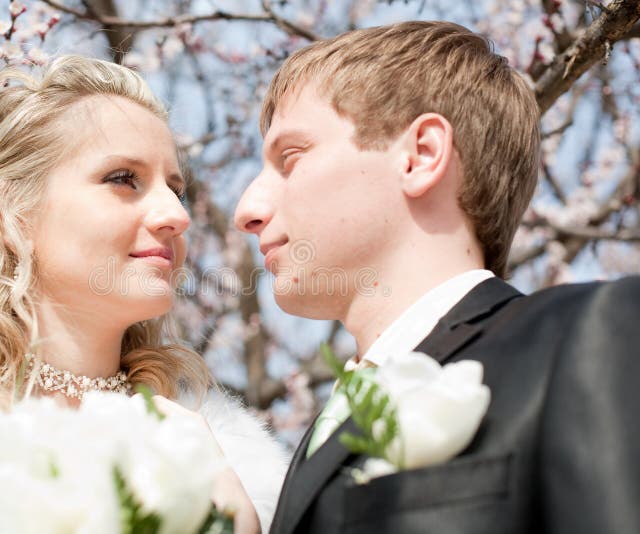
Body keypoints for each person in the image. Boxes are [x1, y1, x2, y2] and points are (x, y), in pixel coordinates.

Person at [234, 21, 640, 534]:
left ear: (422, 154)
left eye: (290, 158)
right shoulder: (314, 441)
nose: (245, 210)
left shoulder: (597, 337)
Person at [0, 55, 286, 533]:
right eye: (124, 179)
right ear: (12, 214)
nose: (177, 215)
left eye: (176, 188)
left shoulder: (226, 455)